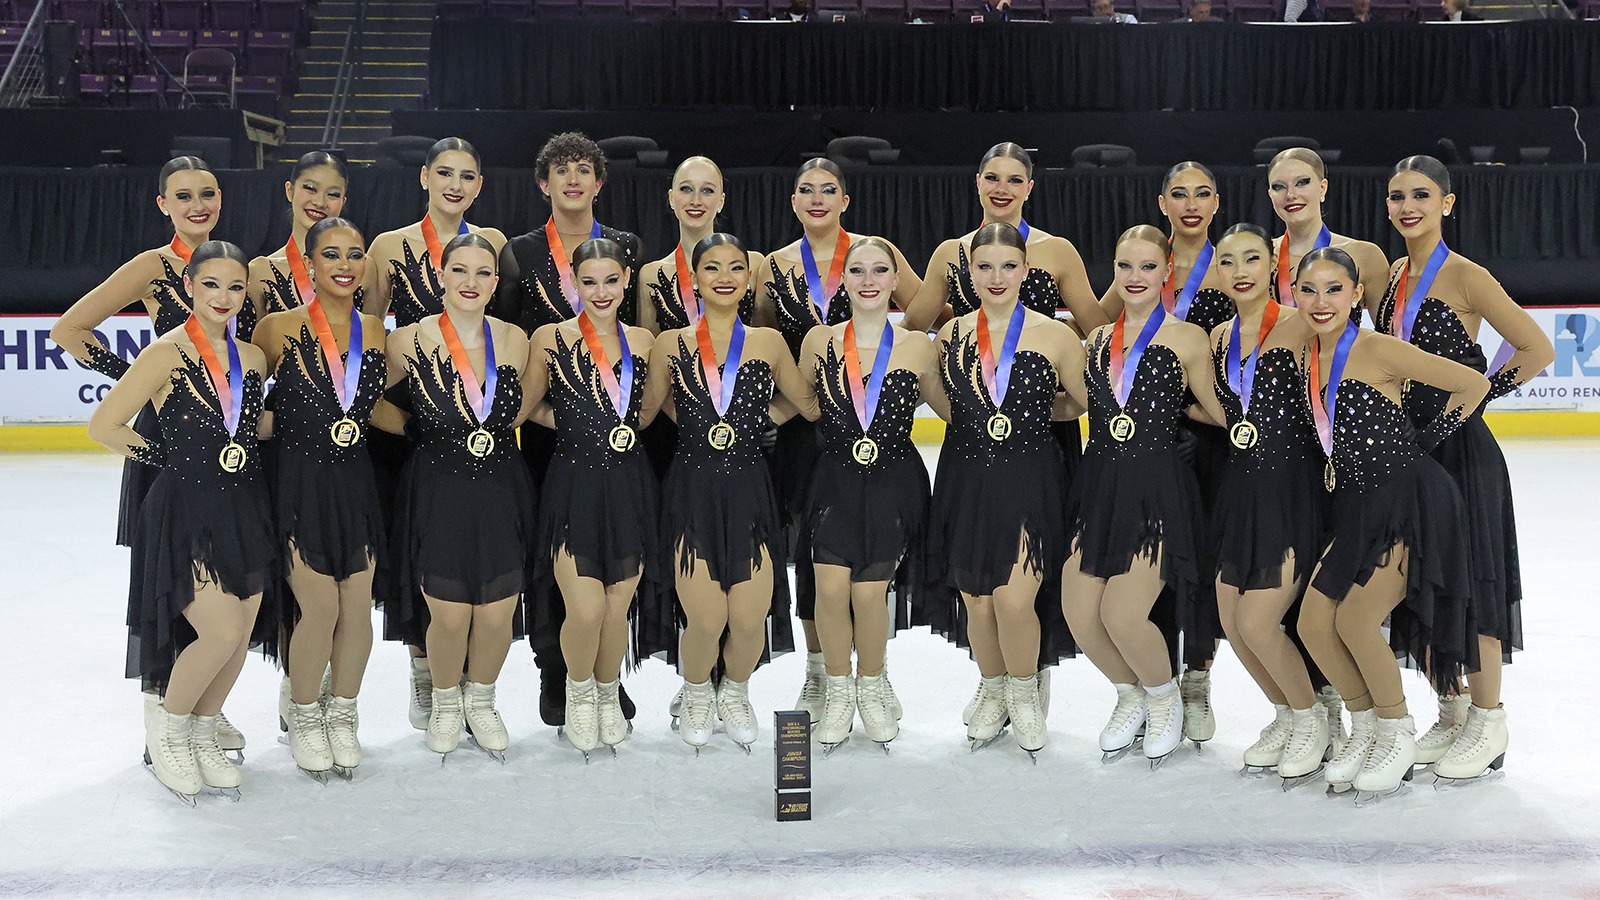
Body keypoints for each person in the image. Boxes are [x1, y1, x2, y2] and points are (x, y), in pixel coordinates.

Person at [50, 156, 249, 762]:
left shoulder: (235, 269)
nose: (197, 205)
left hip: (224, 440)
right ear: (163, 204)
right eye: (183, 196)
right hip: (165, 438)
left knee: (220, 582)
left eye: (208, 193)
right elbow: (70, 329)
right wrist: (127, 374)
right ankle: (163, 716)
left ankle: (202, 713)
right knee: (170, 581)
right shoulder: (152, 267)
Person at [1373, 156, 1553, 782]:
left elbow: (1537, 348)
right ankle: (1450, 712)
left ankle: (1488, 718)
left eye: (1420, 194)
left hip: (1460, 453)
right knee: (1426, 583)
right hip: (1410, 452)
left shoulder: (1466, 276)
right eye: (1396, 196)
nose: (1406, 206)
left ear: (1447, 203)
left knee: (1472, 582)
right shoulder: (1395, 275)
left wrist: (1472, 400)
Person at [1293, 246, 1486, 800]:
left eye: (1334, 289)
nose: (1321, 301)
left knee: (1355, 620)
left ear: (1356, 294)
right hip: (1358, 507)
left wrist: (1426, 441)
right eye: (1309, 290)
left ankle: (1396, 728)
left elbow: (1470, 383)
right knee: (1312, 623)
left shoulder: (1377, 347)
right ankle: (1367, 724)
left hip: (1409, 500)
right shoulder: (1310, 355)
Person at [87, 241, 273, 804]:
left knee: (240, 633)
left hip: (243, 501)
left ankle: (203, 727)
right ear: (189, 287)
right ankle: (168, 730)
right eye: (211, 284)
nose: (223, 296)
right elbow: (105, 425)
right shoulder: (165, 353)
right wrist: (164, 458)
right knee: (216, 630)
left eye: (235, 286)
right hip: (186, 505)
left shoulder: (252, 357)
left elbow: (247, 426)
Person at [756, 157, 923, 726]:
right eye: (806, 189)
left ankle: (873, 677)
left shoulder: (876, 255)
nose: (818, 198)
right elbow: (759, 343)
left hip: (876, 426)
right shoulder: (774, 266)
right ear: (794, 199)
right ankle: (821, 671)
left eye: (830, 189)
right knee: (816, 559)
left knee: (870, 567)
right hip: (813, 431)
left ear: (846, 200)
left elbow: (928, 314)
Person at [640, 233, 819, 754]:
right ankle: (697, 692)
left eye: (735, 268)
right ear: (694, 279)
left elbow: (807, 405)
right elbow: (648, 412)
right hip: (692, 488)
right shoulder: (670, 344)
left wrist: (761, 420)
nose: (723, 276)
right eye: (712, 267)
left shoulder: (766, 342)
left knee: (746, 617)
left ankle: (735, 691)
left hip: (748, 490)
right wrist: (700, 424)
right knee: (706, 616)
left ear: (748, 278)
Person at [919, 223, 1088, 760]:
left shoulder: (1055, 335)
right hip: (966, 475)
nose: (997, 277)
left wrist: (1030, 419)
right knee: (978, 601)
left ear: (1025, 270)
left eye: (1008, 266)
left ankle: (1024, 691)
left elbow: (1083, 403)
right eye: (985, 267)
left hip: (1030, 474)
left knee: (1015, 599)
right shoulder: (951, 335)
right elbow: (948, 402)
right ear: (969, 273)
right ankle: (993, 686)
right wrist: (977, 423)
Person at [494, 131, 644, 731]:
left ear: (599, 182)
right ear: (544, 184)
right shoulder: (521, 252)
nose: (574, 180)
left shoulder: (625, 246)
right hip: (549, 436)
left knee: (613, 563)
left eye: (585, 170)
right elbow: (506, 338)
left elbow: (634, 340)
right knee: (555, 560)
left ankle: (608, 676)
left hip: (613, 430)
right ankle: (554, 669)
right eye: (562, 171)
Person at [1064, 225, 1227, 769]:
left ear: (1166, 275)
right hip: (1102, 486)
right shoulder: (1095, 341)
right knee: (1079, 611)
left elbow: (1221, 410)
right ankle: (1130, 693)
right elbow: (1081, 405)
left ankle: (1164, 698)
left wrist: (1178, 419)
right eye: (1125, 266)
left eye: (1147, 267)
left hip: (1158, 489)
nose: (1135, 278)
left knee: (1124, 614)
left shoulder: (1186, 338)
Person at [363, 137, 510, 732]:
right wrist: (412, 426)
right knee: (423, 555)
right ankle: (428, 679)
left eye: (468, 175)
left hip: (475, 412)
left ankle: (475, 688)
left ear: (479, 185)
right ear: (424, 176)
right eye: (444, 172)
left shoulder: (493, 243)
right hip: (412, 415)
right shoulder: (389, 245)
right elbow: (368, 329)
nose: (455, 184)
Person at [375, 233, 535, 761]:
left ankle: (481, 700)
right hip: (438, 485)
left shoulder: (515, 339)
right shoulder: (407, 341)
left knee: (495, 612)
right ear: (440, 276)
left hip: (499, 486)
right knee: (447, 614)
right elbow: (369, 400)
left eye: (483, 273)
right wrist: (415, 431)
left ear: (495, 282)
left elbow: (527, 409)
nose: (471, 282)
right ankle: (446, 701)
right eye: (460, 271)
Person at [1100, 161, 1234, 746]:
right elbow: (1109, 341)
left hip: (1212, 440)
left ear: (1217, 202)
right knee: (1144, 569)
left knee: (1198, 563)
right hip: (1150, 440)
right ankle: (1156, 684)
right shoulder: (1142, 261)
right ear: (1162, 202)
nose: (1190, 204)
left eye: (1201, 194)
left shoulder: (1230, 267)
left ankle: (1197, 679)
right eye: (1179, 194)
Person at [251, 217, 387, 780]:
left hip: (355, 480)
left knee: (357, 608)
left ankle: (344, 714)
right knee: (319, 606)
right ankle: (305, 715)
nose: (345, 263)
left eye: (355, 254)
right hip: (299, 480)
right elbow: (243, 400)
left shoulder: (376, 330)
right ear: (308, 264)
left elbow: (374, 407)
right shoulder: (277, 328)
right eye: (331, 254)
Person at [795, 238, 939, 752]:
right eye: (857, 270)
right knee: (830, 590)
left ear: (897, 279)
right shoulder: (819, 341)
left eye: (881, 269)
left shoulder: (920, 345)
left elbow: (951, 410)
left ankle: (872, 684)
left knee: (868, 592)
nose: (870, 279)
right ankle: (838, 688)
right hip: (833, 478)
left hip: (893, 480)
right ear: (844, 281)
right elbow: (807, 407)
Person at [522, 238, 659, 759]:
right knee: (584, 608)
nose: (600, 291)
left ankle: (606, 693)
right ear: (573, 283)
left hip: (628, 484)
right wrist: (571, 425)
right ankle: (578, 692)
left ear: (626, 279)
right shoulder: (551, 338)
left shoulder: (646, 341)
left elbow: (645, 414)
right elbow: (522, 408)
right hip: (573, 483)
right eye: (589, 281)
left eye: (610, 280)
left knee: (616, 608)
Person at [1205, 223, 1330, 783]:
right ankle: (1285, 711)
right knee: (1232, 620)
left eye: (1252, 258)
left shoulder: (1304, 324)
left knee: (1260, 621)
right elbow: (1225, 411)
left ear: (1272, 263)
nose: (1240, 271)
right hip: (1240, 485)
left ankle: (1313, 719)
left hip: (1294, 486)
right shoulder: (1217, 337)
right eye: (1228, 261)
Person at [1265, 147, 1390, 324]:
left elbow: (1388, 337)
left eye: (1302, 182)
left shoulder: (1365, 255)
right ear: (1270, 195)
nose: (1291, 195)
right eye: (1279, 187)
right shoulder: (1261, 257)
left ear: (1323, 188)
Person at [247, 150, 349, 331]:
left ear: (343, 202)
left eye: (333, 194)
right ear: (290, 191)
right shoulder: (259, 271)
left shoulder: (360, 269)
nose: (319, 202)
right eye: (310, 188)